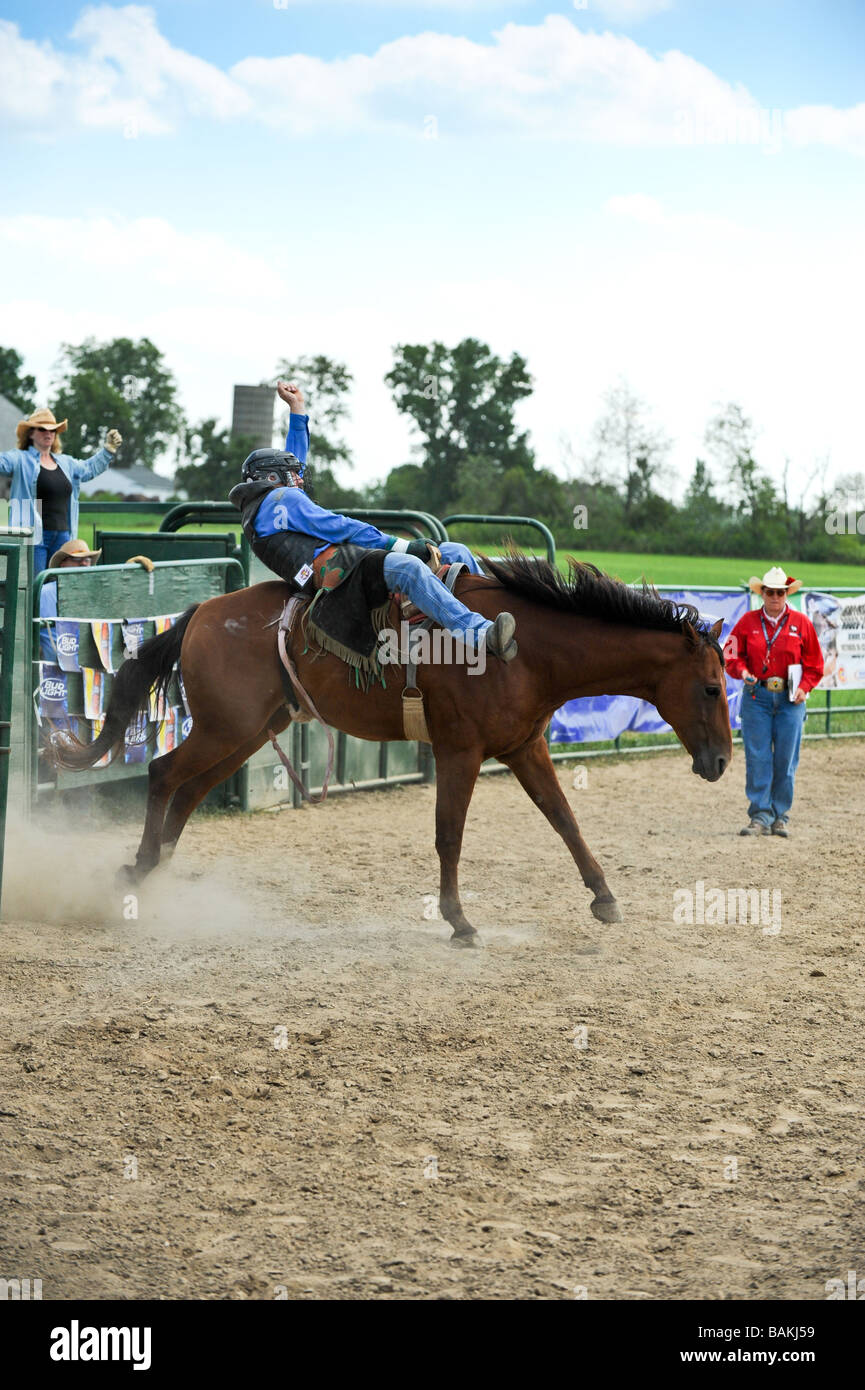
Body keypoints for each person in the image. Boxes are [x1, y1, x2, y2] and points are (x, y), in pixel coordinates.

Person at [228, 380, 518, 662]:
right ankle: (481, 635)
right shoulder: (283, 500)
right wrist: (402, 546)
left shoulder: (268, 503)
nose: (300, 478)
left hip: (343, 562)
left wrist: (297, 409)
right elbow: (341, 527)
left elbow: (294, 461)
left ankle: (492, 618)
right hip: (336, 573)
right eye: (292, 474)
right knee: (410, 568)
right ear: (272, 478)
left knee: (456, 552)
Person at [724, 566, 824, 837]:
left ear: (786, 593)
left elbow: (815, 664)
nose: (775, 597)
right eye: (770, 592)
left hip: (792, 699)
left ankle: (780, 816)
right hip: (757, 696)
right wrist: (742, 671)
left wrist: (805, 687)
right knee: (757, 757)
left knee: (785, 759)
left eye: (780, 592)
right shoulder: (747, 622)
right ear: (763, 593)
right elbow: (730, 652)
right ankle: (760, 816)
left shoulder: (802, 623)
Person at [1, 408, 122, 573]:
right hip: (34, 536)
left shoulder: (66, 463)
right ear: (30, 434)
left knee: (60, 584)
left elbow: (88, 468)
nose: (48, 433)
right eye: (42, 429)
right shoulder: (19, 459)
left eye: (52, 430)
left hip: (64, 536)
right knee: (35, 585)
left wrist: (108, 450)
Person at [38, 537, 102, 661]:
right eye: (77, 559)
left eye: (87, 559)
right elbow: (47, 638)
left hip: (88, 662)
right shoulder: (46, 593)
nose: (83, 563)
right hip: (55, 666)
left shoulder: (96, 592)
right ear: (62, 564)